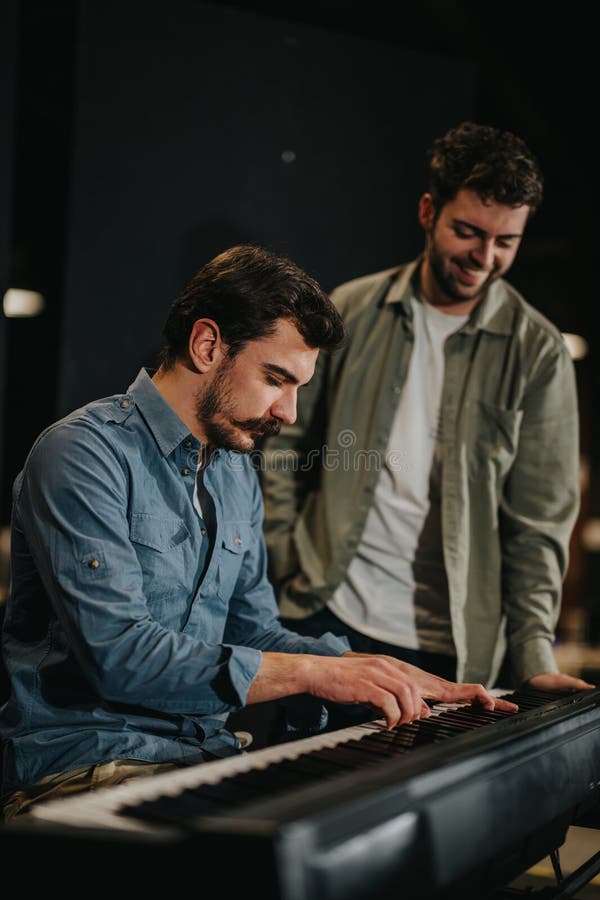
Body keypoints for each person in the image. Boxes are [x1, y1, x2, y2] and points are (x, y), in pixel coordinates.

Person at [0, 244, 516, 822]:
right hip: (82, 772)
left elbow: (255, 631)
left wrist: (377, 670)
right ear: (207, 346)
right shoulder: (81, 455)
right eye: (276, 378)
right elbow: (119, 656)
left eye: (298, 387)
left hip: (203, 762)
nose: (290, 412)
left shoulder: (235, 471)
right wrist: (316, 672)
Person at [261, 123, 593, 704]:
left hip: (458, 648)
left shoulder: (537, 352)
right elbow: (284, 442)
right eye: (468, 232)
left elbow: (538, 524)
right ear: (427, 211)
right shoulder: (351, 311)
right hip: (328, 619)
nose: (485, 258)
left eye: (506, 242)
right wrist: (284, 555)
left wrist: (534, 653)